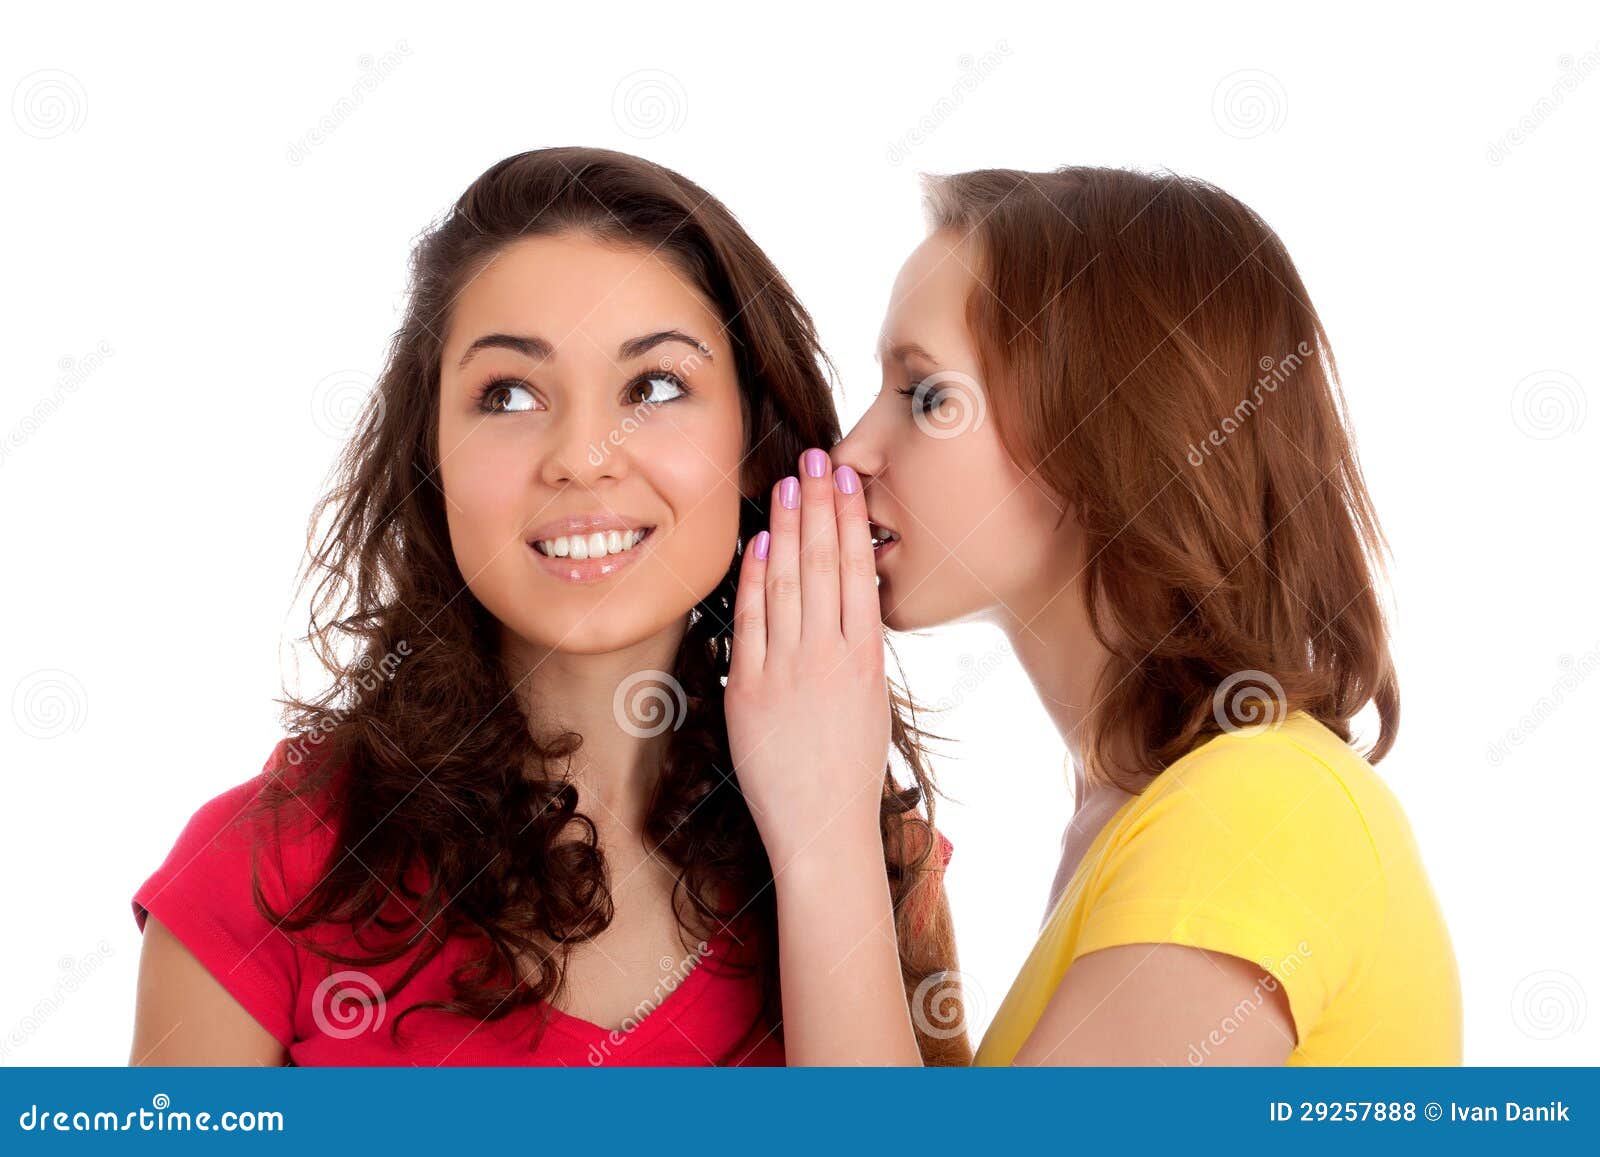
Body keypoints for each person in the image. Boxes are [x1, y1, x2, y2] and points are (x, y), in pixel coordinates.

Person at [130, 147, 966, 1067]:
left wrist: (825, 847)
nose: (581, 455)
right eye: (510, 394)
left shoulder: (874, 846)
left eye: (654, 386)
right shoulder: (261, 874)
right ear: (431, 456)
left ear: (753, 443)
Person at [728, 165, 1461, 1065]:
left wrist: (824, 828)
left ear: (1107, 432)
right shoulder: (1140, 812)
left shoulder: (1259, 813)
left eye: (926, 397)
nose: (852, 452)